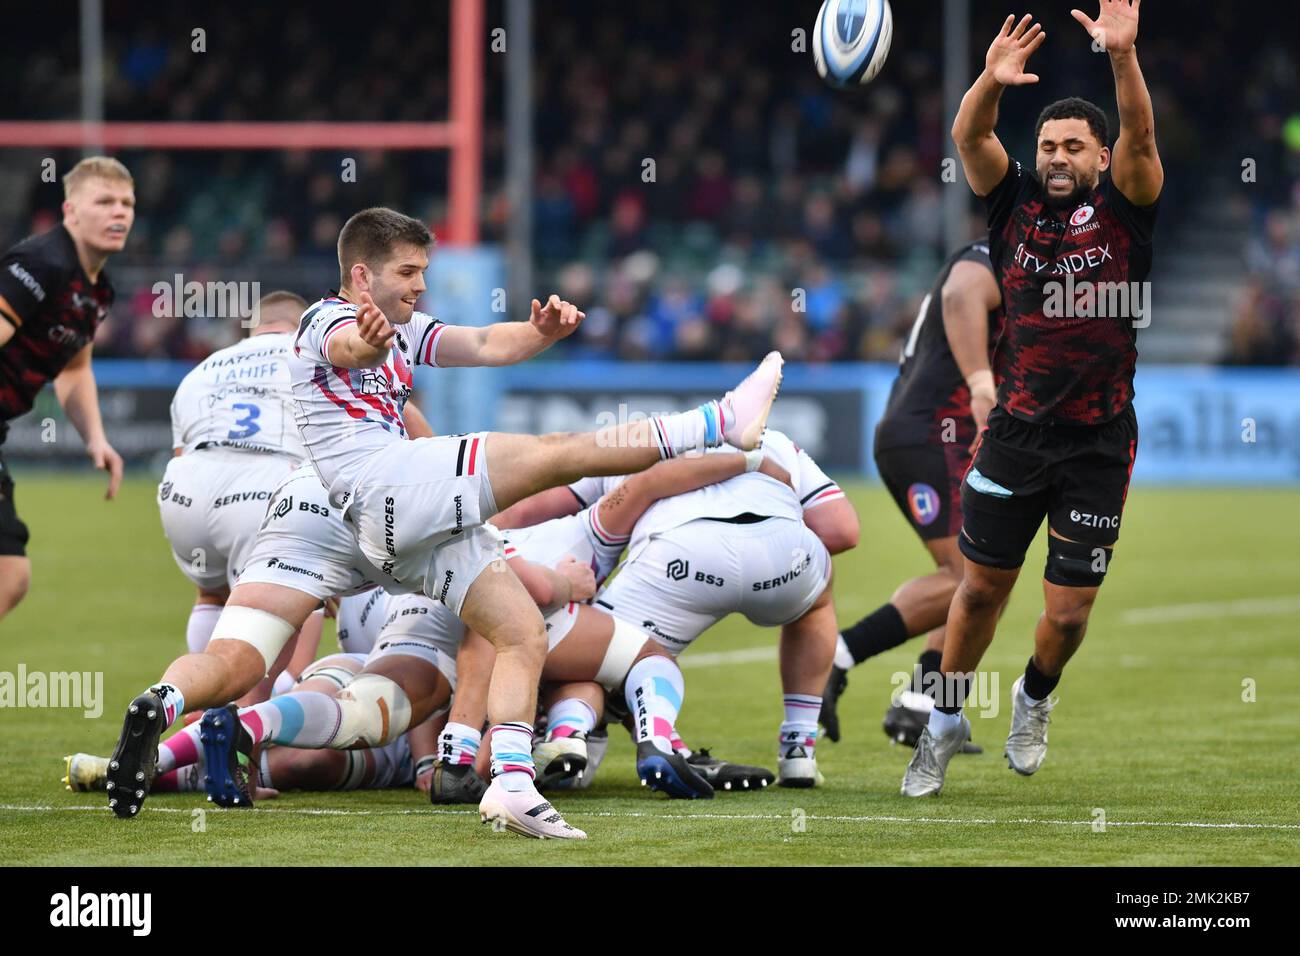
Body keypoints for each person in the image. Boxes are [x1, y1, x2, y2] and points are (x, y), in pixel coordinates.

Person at [107, 205, 783, 839]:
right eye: (408, 273)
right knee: (557, 455)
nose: (420, 286)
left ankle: (162, 706)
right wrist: (369, 339)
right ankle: (723, 420)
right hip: (381, 486)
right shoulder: (326, 319)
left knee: (511, 630)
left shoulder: (402, 325)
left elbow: (487, 342)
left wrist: (539, 334)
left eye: (424, 273)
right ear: (363, 274)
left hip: (322, 512)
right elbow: (349, 347)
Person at [903, 3, 1162, 797]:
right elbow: (969, 139)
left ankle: (1033, 697)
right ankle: (944, 719)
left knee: (1069, 616)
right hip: (1014, 434)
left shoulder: (1125, 205)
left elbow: (1143, 141)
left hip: (1097, 443)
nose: (1055, 156)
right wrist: (990, 78)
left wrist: (1121, 58)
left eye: (1072, 146)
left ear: (1100, 156)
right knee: (978, 591)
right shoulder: (1011, 202)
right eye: (1047, 144)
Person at [821, 242, 1002, 748]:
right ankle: (834, 656)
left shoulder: (1012, 258)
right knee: (977, 579)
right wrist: (982, 385)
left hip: (931, 435)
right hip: (934, 437)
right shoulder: (992, 254)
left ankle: (921, 702)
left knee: (979, 576)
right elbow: (961, 295)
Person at [0, 157, 133, 620]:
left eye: (126, 203)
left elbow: (74, 369)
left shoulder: (99, 291)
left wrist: (96, 439)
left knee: (10, 574)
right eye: (104, 202)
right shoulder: (41, 263)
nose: (119, 213)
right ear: (70, 212)